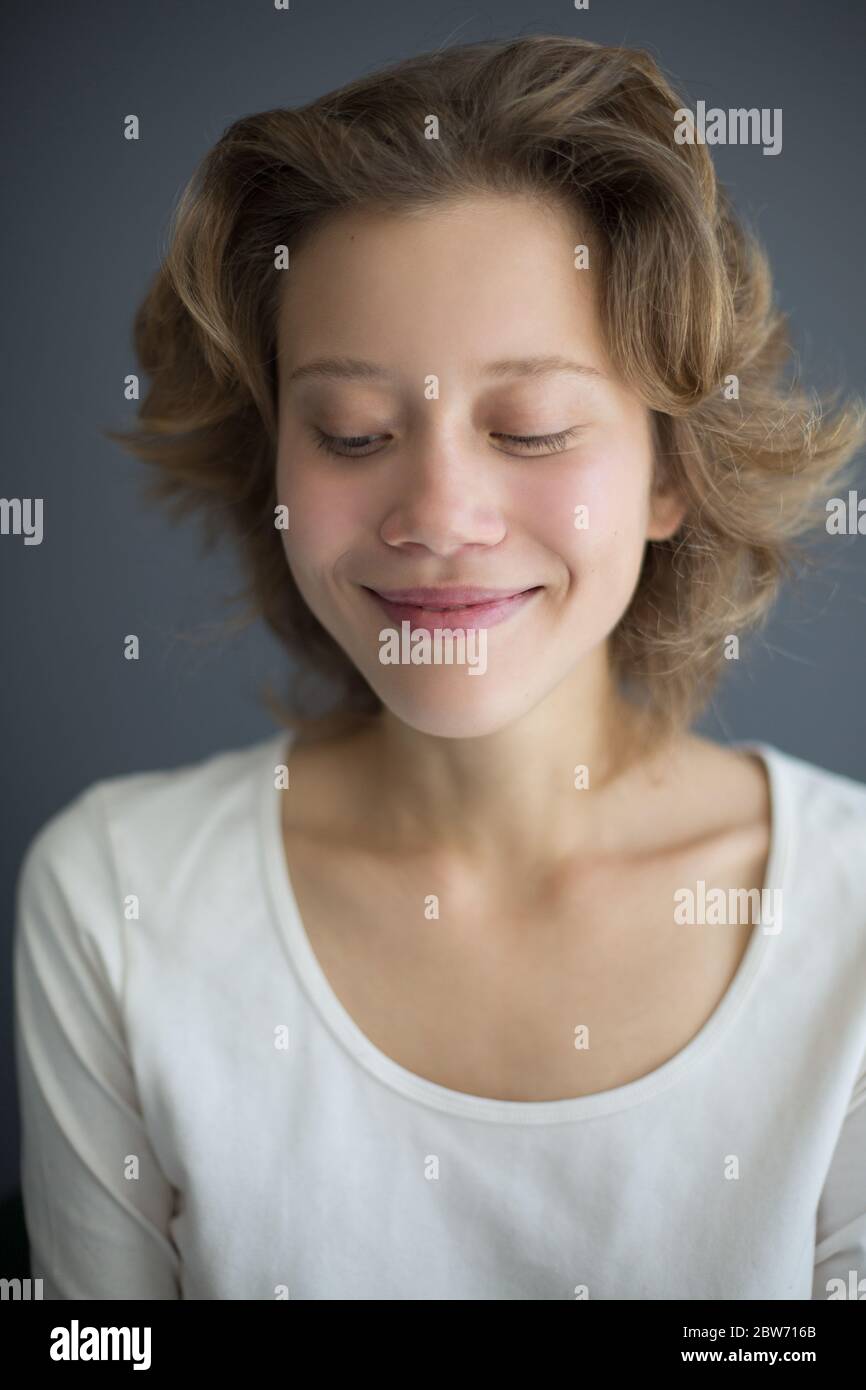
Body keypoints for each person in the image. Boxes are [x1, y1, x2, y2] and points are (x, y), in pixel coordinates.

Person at [13, 34, 866, 1300]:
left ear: (670, 471)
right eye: (352, 432)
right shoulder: (114, 900)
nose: (435, 512)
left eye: (528, 428)